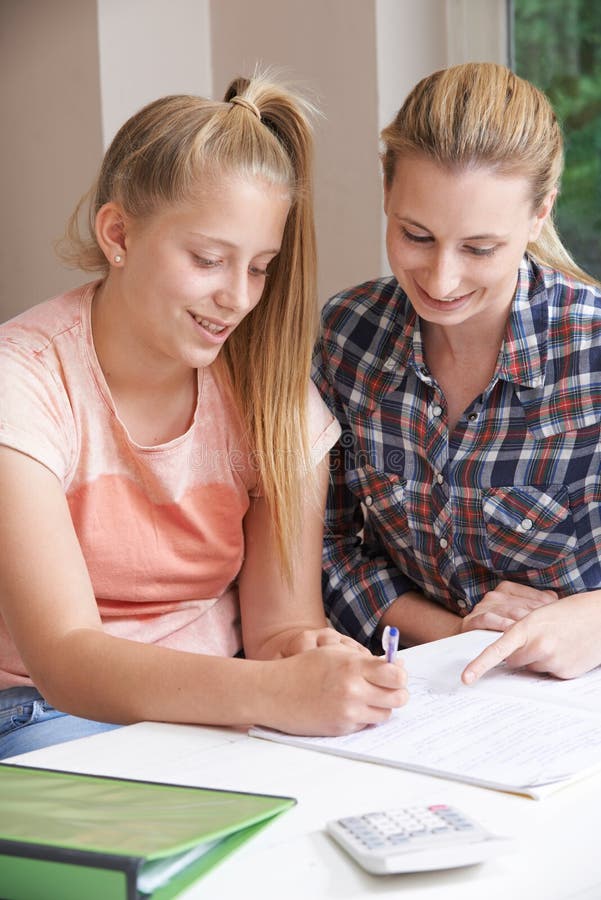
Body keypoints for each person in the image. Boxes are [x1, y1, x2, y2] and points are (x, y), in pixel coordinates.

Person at [0, 72, 407, 759]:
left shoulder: (269, 398)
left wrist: (303, 654)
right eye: (209, 260)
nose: (237, 299)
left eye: (260, 268)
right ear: (118, 232)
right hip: (42, 714)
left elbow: (280, 627)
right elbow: (64, 661)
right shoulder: (24, 384)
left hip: (220, 716)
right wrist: (271, 693)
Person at [313, 62, 601, 685]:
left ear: (540, 213)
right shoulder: (348, 338)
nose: (441, 281)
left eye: (479, 248)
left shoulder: (592, 351)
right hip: (419, 691)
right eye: (416, 235)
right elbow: (326, 551)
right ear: (386, 190)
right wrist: (459, 636)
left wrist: (594, 621)